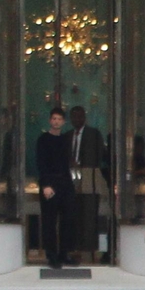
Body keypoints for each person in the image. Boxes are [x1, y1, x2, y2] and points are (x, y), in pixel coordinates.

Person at [67, 104, 113, 264]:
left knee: (89, 216)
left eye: (79, 116)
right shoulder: (67, 136)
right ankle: (74, 249)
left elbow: (101, 155)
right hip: (71, 180)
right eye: (74, 116)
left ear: (84, 118)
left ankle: (89, 251)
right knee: (74, 216)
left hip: (90, 179)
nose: (77, 119)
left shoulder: (93, 134)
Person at [32, 106, 75, 267]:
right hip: (50, 183)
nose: (56, 122)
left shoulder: (65, 140)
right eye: (54, 119)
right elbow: (41, 164)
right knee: (49, 221)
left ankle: (64, 253)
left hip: (65, 183)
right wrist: (45, 185)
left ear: (63, 122)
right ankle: (51, 256)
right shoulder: (43, 139)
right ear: (50, 121)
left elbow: (67, 163)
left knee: (67, 220)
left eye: (59, 119)